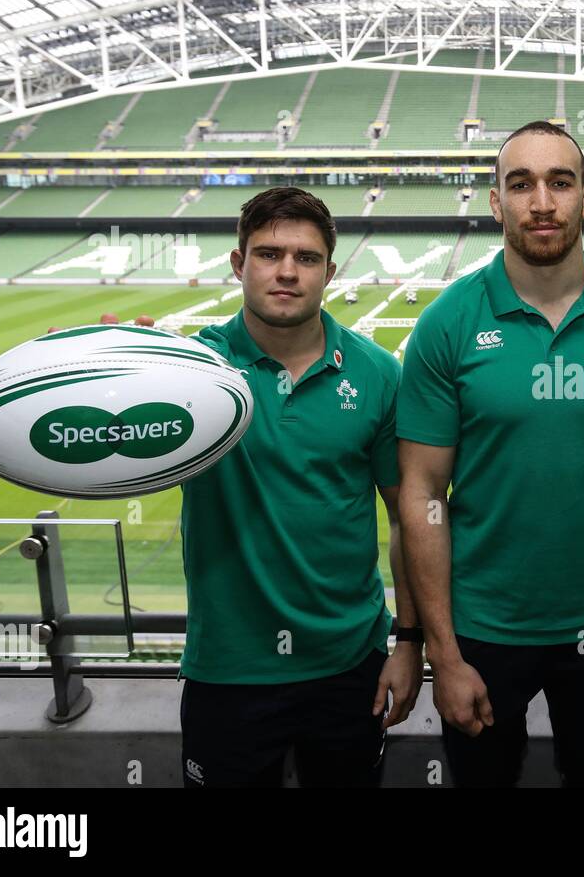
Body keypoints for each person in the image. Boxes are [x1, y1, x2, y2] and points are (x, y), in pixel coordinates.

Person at [396, 121, 584, 787]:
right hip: (483, 629)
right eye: (520, 184)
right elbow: (422, 493)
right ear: (496, 202)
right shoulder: (447, 324)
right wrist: (442, 650)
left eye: (560, 182)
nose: (541, 202)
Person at [177, 186, 422, 788]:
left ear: (330, 272)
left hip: (348, 664)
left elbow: (408, 515)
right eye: (268, 254)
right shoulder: (188, 370)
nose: (287, 271)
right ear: (239, 264)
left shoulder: (378, 373)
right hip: (227, 668)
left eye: (307, 258)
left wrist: (409, 641)